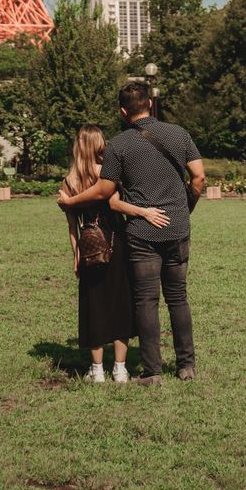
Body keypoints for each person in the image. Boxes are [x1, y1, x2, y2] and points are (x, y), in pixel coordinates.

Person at [58, 82, 206, 384]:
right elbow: (199, 176)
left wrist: (71, 202)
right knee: (178, 298)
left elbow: (104, 190)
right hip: (178, 228)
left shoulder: (119, 144)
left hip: (142, 235)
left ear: (123, 111)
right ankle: (186, 366)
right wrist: (184, 209)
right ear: (150, 104)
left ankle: (152, 371)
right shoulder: (180, 134)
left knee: (146, 301)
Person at [61, 126, 170, 383]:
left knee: (94, 305)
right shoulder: (108, 173)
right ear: (98, 144)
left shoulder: (69, 182)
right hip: (116, 242)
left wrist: (76, 256)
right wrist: (144, 212)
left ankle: (97, 369)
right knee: (122, 303)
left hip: (90, 248)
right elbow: (116, 204)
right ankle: (120, 368)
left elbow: (72, 227)